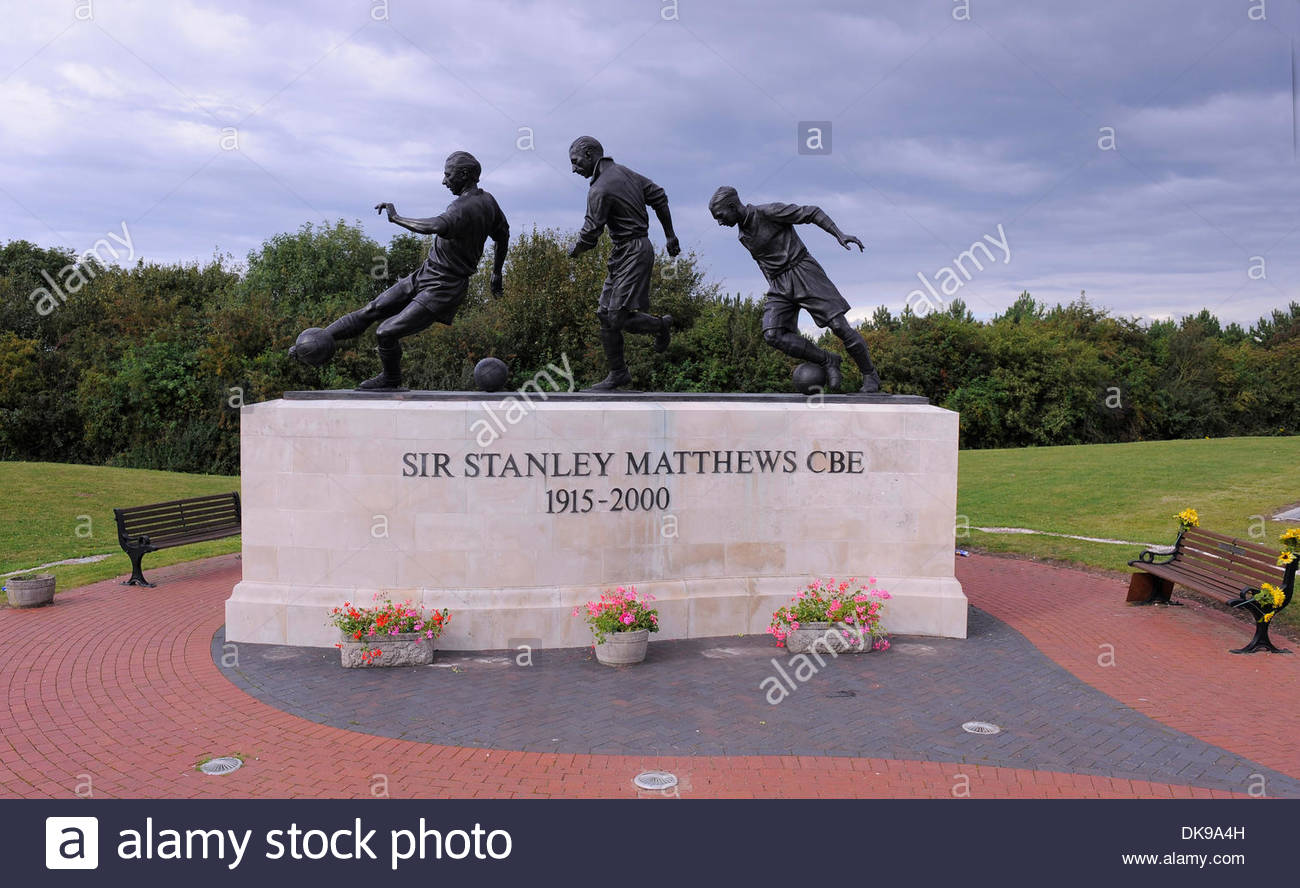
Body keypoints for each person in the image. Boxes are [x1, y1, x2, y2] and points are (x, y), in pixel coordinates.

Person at [304, 150, 509, 390]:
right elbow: (503, 235)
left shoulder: (463, 208)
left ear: (464, 175)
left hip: (443, 288)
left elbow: (433, 225)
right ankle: (321, 338)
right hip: (425, 274)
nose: (444, 181)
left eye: (448, 175)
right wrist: (496, 272)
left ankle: (391, 379)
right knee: (373, 309)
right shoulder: (489, 201)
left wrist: (396, 217)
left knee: (385, 333)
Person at [708, 185, 881, 393]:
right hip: (780, 284)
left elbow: (812, 212)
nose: (719, 222)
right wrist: (776, 291)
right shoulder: (743, 236)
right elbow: (763, 263)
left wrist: (839, 234)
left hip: (804, 271)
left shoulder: (768, 212)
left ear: (732, 206)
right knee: (773, 334)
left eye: (720, 216)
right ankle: (828, 360)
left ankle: (870, 375)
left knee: (839, 326)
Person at [568, 136, 678, 391]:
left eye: (575, 162)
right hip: (625, 251)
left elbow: (591, 232)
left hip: (635, 250)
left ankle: (660, 325)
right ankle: (618, 374)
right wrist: (670, 234)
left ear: (589, 153)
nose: (573, 169)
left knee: (617, 315)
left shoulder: (600, 188)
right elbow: (659, 196)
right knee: (605, 315)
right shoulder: (626, 173)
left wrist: (576, 249)